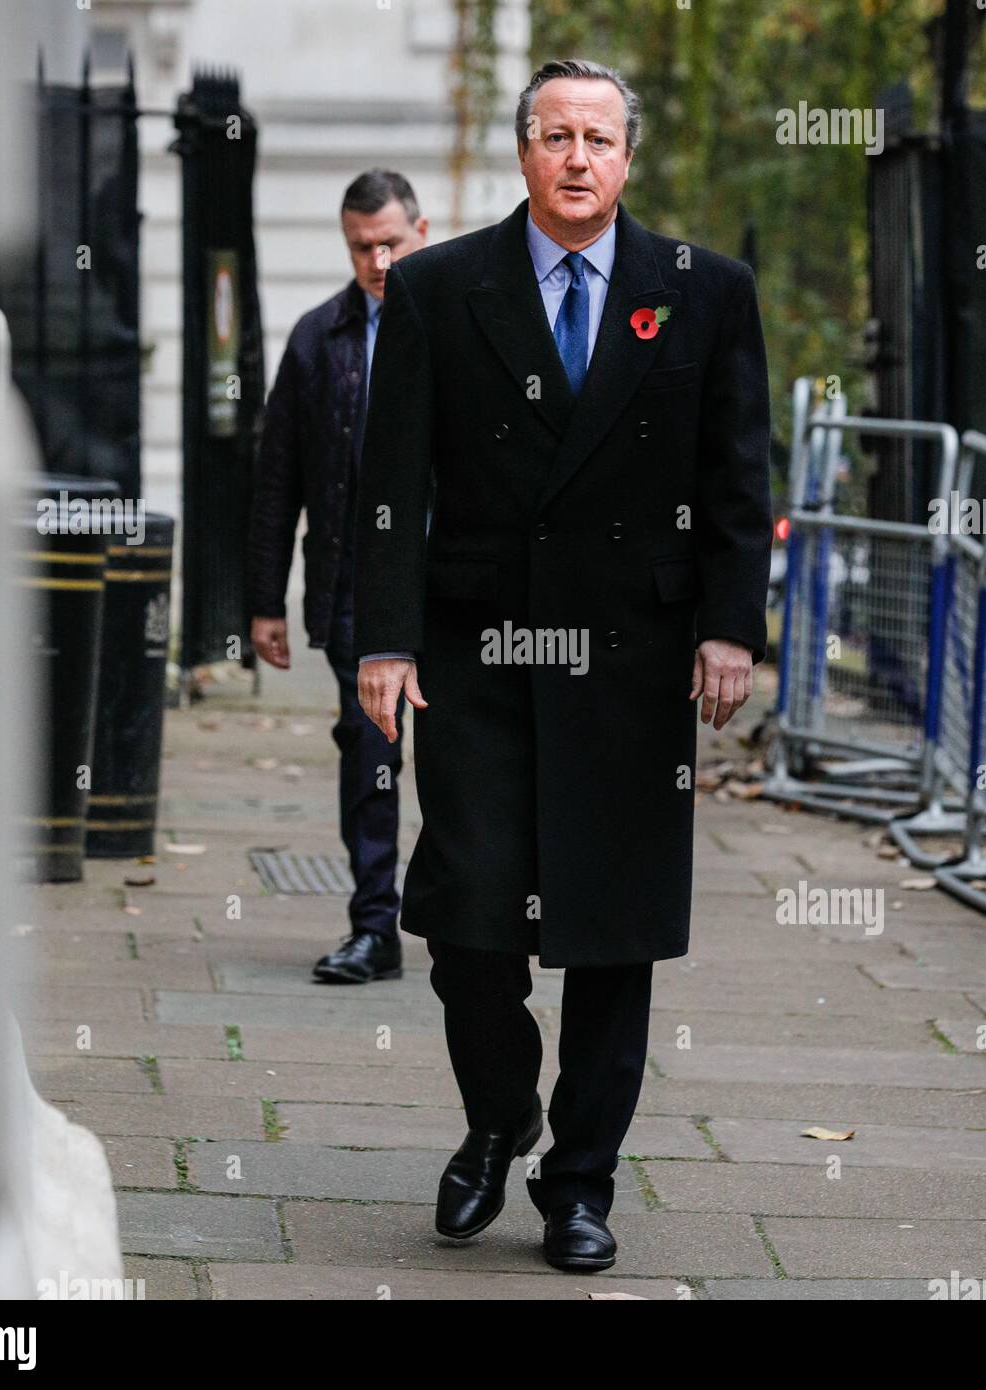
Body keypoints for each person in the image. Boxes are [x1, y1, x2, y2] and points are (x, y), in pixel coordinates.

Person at [353, 59, 772, 1271]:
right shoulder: (437, 288)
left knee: (610, 930)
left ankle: (578, 1182)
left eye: (598, 137)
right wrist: (383, 638)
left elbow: (737, 477)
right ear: (523, 153)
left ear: (627, 157)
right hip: (478, 656)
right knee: (466, 920)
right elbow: (391, 484)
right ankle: (499, 1117)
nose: (577, 157)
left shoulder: (704, 292)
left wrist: (729, 626)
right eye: (555, 135)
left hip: (634, 666)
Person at [247, 169, 428, 985]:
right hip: (354, 580)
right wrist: (264, 602)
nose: (378, 259)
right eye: (362, 246)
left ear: (420, 232)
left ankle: (475, 925)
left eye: (390, 241)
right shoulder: (318, 337)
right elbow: (276, 474)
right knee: (369, 753)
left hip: (455, 579)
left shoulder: (461, 319)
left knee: (467, 758)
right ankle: (374, 928)